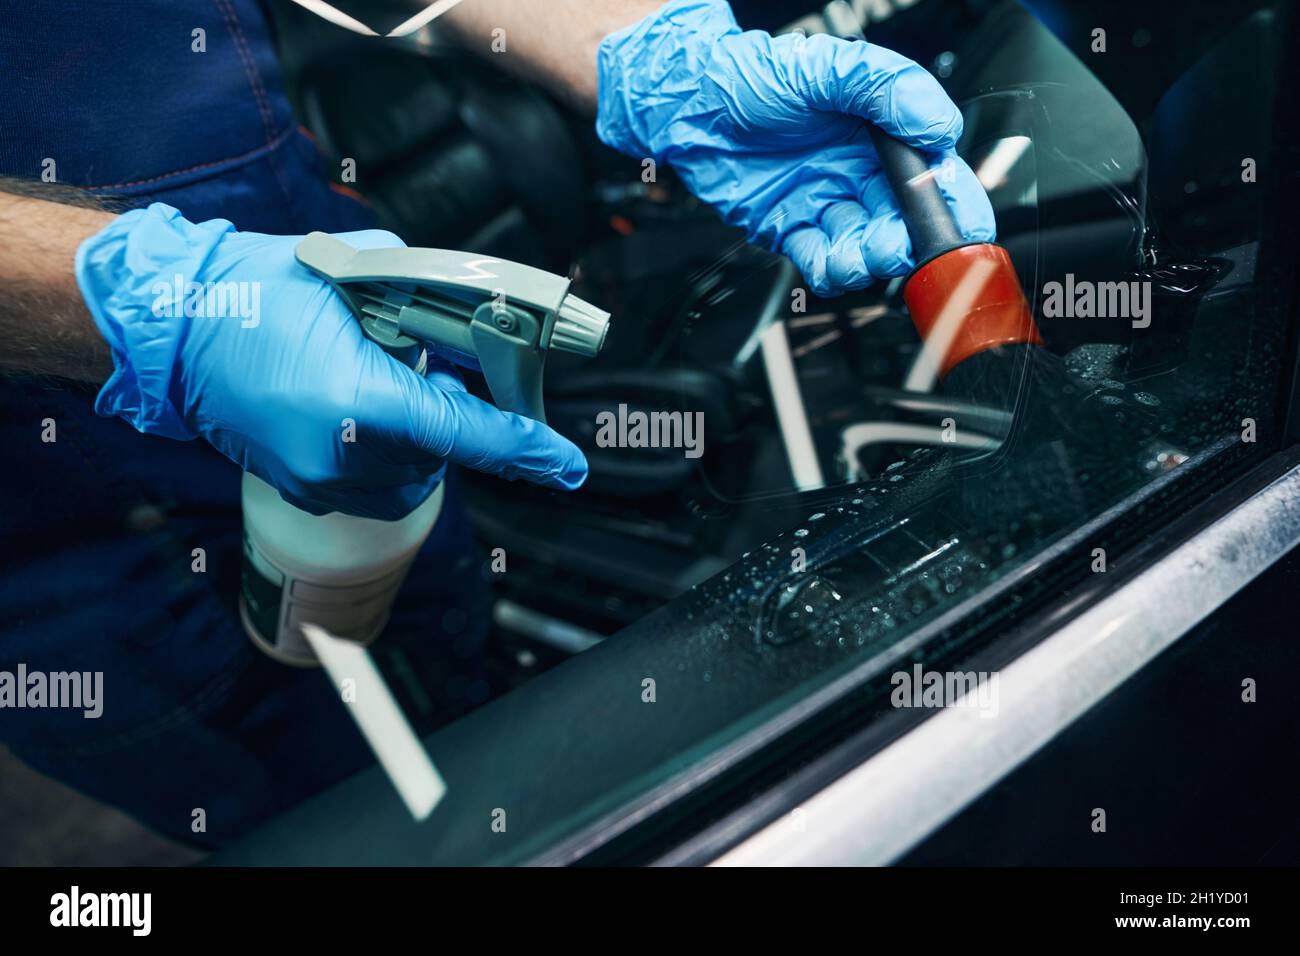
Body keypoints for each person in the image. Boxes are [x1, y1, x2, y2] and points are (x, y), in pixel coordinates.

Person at [0, 0, 993, 847]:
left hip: (362, 377)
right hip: (70, 560)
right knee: (325, 819)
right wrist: (144, 306)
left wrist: (650, 51)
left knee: (476, 728)